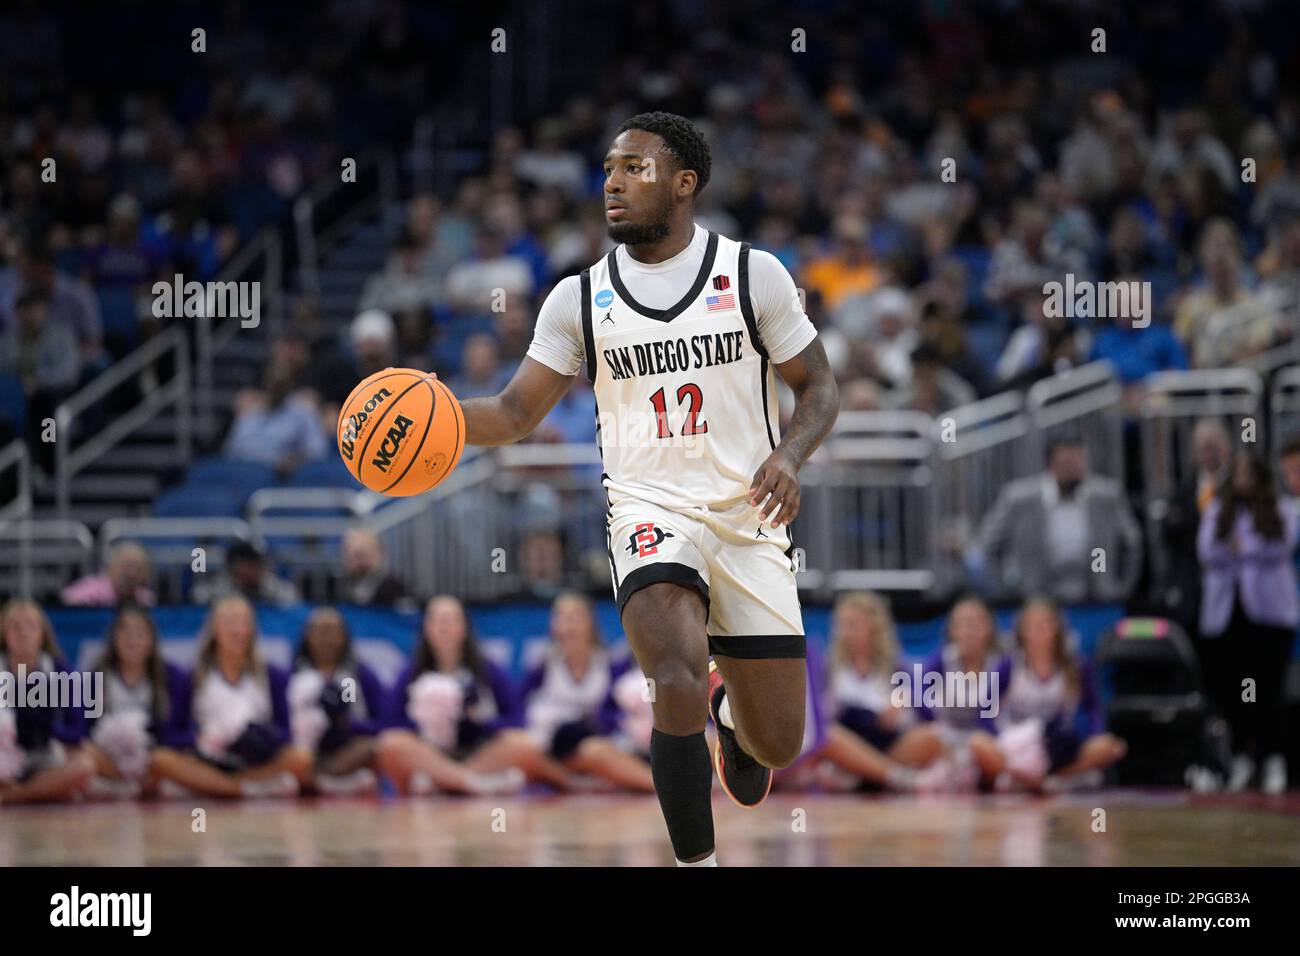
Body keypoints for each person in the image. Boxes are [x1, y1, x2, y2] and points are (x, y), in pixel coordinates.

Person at [436, 112, 839, 865]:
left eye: (635, 169)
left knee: (776, 745)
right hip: (647, 509)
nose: (613, 183)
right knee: (674, 675)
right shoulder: (578, 299)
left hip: (750, 516)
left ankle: (730, 708)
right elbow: (516, 412)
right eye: (609, 169)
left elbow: (819, 385)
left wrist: (789, 455)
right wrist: (436, 419)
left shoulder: (754, 275)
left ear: (685, 183)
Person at [1197, 451, 1299, 794]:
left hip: (1270, 618)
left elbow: (1282, 546)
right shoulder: (1217, 510)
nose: (1242, 481)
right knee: (1239, 690)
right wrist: (1242, 549)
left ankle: (1273, 759)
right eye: (1237, 475)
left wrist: (1241, 548)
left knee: (1270, 690)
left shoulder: (1283, 509)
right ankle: (1241, 756)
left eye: (1248, 474)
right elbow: (1207, 551)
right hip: (1231, 618)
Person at [374, 595, 534, 796]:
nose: (444, 627)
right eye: (437, 620)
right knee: (390, 744)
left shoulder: (487, 669)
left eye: (450, 620)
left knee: (523, 744)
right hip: (430, 753)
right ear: (427, 627)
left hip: (477, 752)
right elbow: (389, 724)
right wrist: (424, 725)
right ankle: (470, 782)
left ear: (464, 627)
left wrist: (479, 724)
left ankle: (445, 781)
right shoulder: (411, 672)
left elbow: (517, 720)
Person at [966, 433, 1142, 603]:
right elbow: (988, 544)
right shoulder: (1019, 499)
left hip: (1097, 597)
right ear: (1051, 465)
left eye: (1079, 461)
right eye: (1067, 463)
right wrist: (1003, 591)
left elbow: (1132, 543)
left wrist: (1121, 588)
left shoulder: (1106, 496)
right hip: (1034, 599)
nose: (1074, 468)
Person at [520, 591, 654, 793]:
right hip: (550, 751)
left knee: (595, 750)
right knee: (520, 747)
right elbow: (516, 711)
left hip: (596, 747)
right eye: (560, 618)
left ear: (590, 624)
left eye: (573, 619)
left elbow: (616, 712)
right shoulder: (543, 666)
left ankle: (659, 784)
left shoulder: (609, 665)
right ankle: (570, 780)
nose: (566, 626)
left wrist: (592, 725)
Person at [1001, 598, 1126, 792]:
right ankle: (1036, 779)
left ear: (1057, 628)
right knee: (981, 747)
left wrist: (1092, 736)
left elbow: (1093, 709)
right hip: (1020, 745)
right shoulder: (1008, 665)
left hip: (1061, 746)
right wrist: (1002, 737)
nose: (1040, 630)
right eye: (1033, 625)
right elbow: (985, 710)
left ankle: (1051, 780)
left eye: (1046, 623)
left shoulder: (1077, 665)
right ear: (1022, 630)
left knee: (1110, 745)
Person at [79, 603, 195, 800]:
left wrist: (151, 755)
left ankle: (140, 784)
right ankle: (126, 785)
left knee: (168, 760)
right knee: (82, 757)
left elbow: (185, 733)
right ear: (114, 639)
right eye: (125, 632)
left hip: (153, 763)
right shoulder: (95, 678)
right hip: (107, 764)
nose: (132, 640)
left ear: (151, 639)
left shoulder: (173, 678)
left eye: (139, 633)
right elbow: (82, 733)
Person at [0, 599, 94, 805]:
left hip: (48, 755)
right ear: (4, 634)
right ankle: (43, 790)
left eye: (31, 626)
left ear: (42, 634)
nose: (23, 633)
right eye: (15, 626)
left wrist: (49, 727)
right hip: (4, 755)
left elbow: (78, 729)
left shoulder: (62, 672)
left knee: (84, 765)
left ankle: (13, 795)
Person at [289, 607, 389, 795]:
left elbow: (378, 722)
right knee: (293, 756)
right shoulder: (294, 675)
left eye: (332, 631)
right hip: (307, 749)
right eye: (319, 631)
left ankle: (323, 780)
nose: (325, 639)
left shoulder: (352, 677)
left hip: (345, 750)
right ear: (307, 636)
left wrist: (344, 721)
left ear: (344, 636)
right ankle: (325, 781)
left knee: (370, 747)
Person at [191, 540, 300, 607]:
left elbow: (290, 597)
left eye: (257, 562)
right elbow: (198, 596)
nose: (252, 568)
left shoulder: (270, 585)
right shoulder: (221, 586)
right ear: (233, 565)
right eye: (247, 562)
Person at [60, 541, 157, 607]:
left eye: (138, 569)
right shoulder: (91, 591)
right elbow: (67, 600)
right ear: (112, 568)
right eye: (127, 567)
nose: (131, 574)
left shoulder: (146, 600)